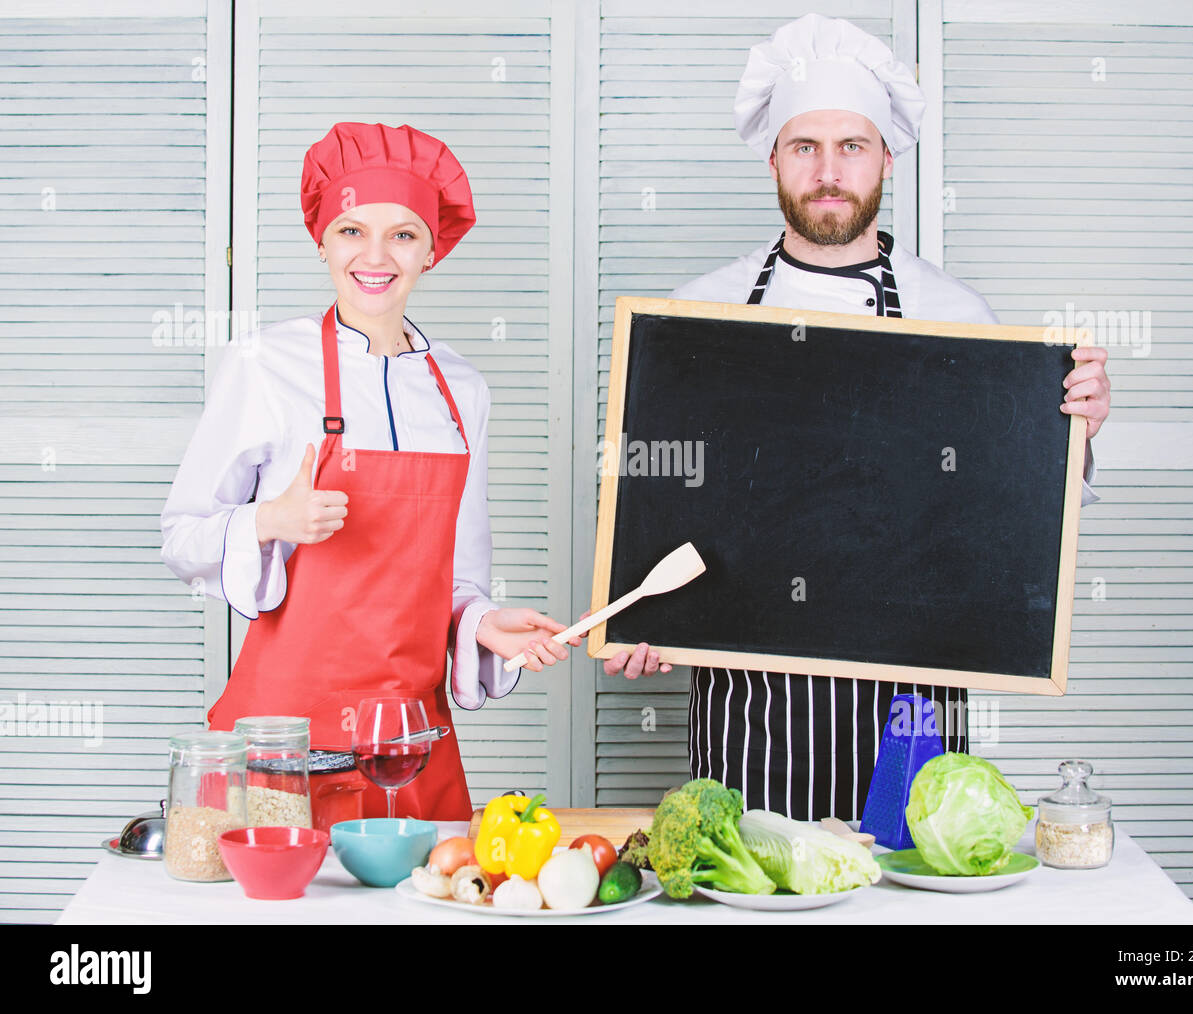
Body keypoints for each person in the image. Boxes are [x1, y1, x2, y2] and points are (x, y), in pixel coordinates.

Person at [603, 15, 1112, 821]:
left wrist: (1072, 433)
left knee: (912, 887)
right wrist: (637, 611)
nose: (829, 171)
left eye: (853, 146)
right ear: (773, 158)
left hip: (915, 697)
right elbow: (656, 500)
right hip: (750, 707)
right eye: (805, 146)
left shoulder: (960, 317)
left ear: (887, 157)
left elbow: (1009, 512)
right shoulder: (696, 314)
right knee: (749, 891)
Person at [161, 122, 577, 822]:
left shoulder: (460, 388)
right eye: (352, 231)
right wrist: (271, 520)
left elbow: (456, 580)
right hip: (283, 743)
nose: (375, 256)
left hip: (408, 746)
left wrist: (483, 624)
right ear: (322, 241)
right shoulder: (266, 365)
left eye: (403, 235)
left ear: (432, 250)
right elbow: (182, 536)